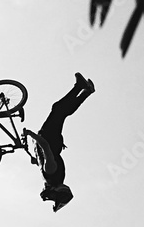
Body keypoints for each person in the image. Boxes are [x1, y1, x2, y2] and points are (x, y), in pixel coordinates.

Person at [26, 73, 95, 211]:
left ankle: (85, 91)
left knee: (61, 111)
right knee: (58, 109)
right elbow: (45, 146)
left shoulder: (55, 177)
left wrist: (36, 160)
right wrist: (31, 134)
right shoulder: (51, 173)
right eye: (52, 196)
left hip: (53, 140)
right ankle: (81, 88)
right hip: (49, 137)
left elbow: (46, 158)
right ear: (56, 190)